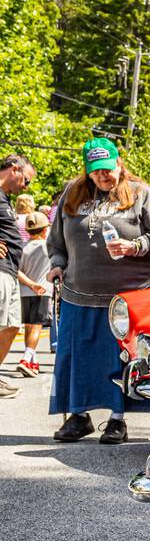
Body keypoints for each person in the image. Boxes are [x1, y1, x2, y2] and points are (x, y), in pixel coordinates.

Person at [46, 138, 150, 444]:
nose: (104, 176)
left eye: (108, 168)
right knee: (77, 356)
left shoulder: (141, 194)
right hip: (78, 293)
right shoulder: (72, 195)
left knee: (120, 359)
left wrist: (135, 245)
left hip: (128, 297)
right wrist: (57, 264)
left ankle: (117, 421)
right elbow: (57, 241)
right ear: (88, 172)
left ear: (119, 163)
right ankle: (79, 417)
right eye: (96, 171)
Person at [0, 154, 35, 400]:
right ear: (14, 169)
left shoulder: (5, 199)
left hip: (11, 269)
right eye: (26, 179)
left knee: (11, 326)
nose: (26, 186)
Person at [15, 212, 52, 377]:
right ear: (44, 230)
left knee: (29, 327)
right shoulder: (48, 247)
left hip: (23, 292)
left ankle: (32, 362)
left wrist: (29, 284)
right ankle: (25, 358)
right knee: (36, 327)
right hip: (42, 291)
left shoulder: (22, 247)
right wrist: (36, 285)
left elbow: (16, 271)